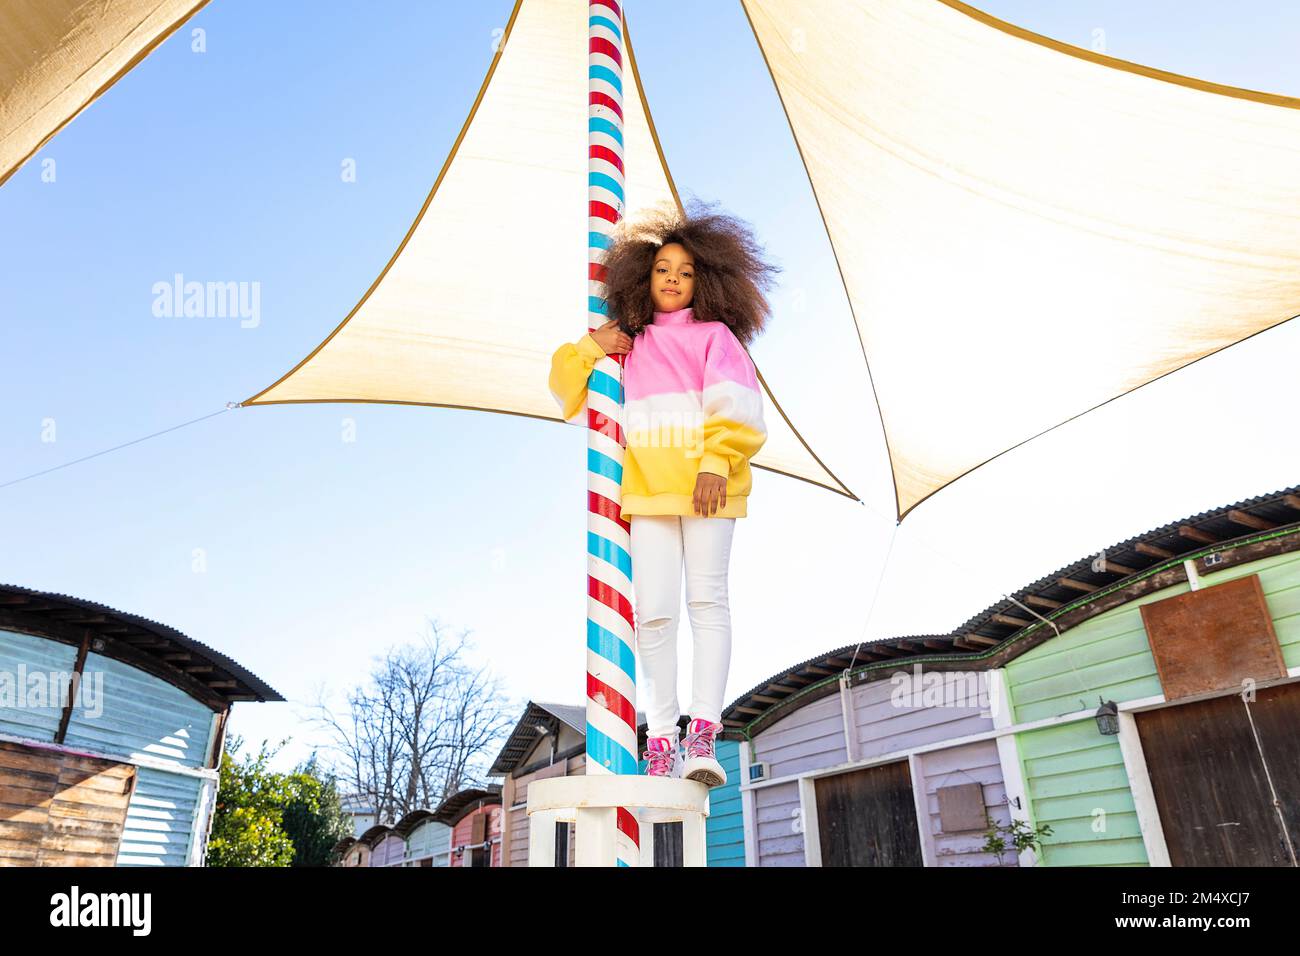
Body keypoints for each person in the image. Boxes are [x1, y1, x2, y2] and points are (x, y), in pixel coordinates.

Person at [548, 201, 777, 787]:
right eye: (662, 269)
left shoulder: (714, 336)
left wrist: (715, 463)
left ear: (706, 281)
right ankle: (661, 739)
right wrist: (589, 346)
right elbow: (565, 391)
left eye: (686, 271)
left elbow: (741, 408)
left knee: (707, 604)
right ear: (641, 278)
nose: (673, 279)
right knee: (653, 614)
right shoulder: (629, 344)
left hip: (708, 488)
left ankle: (703, 734)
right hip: (647, 492)